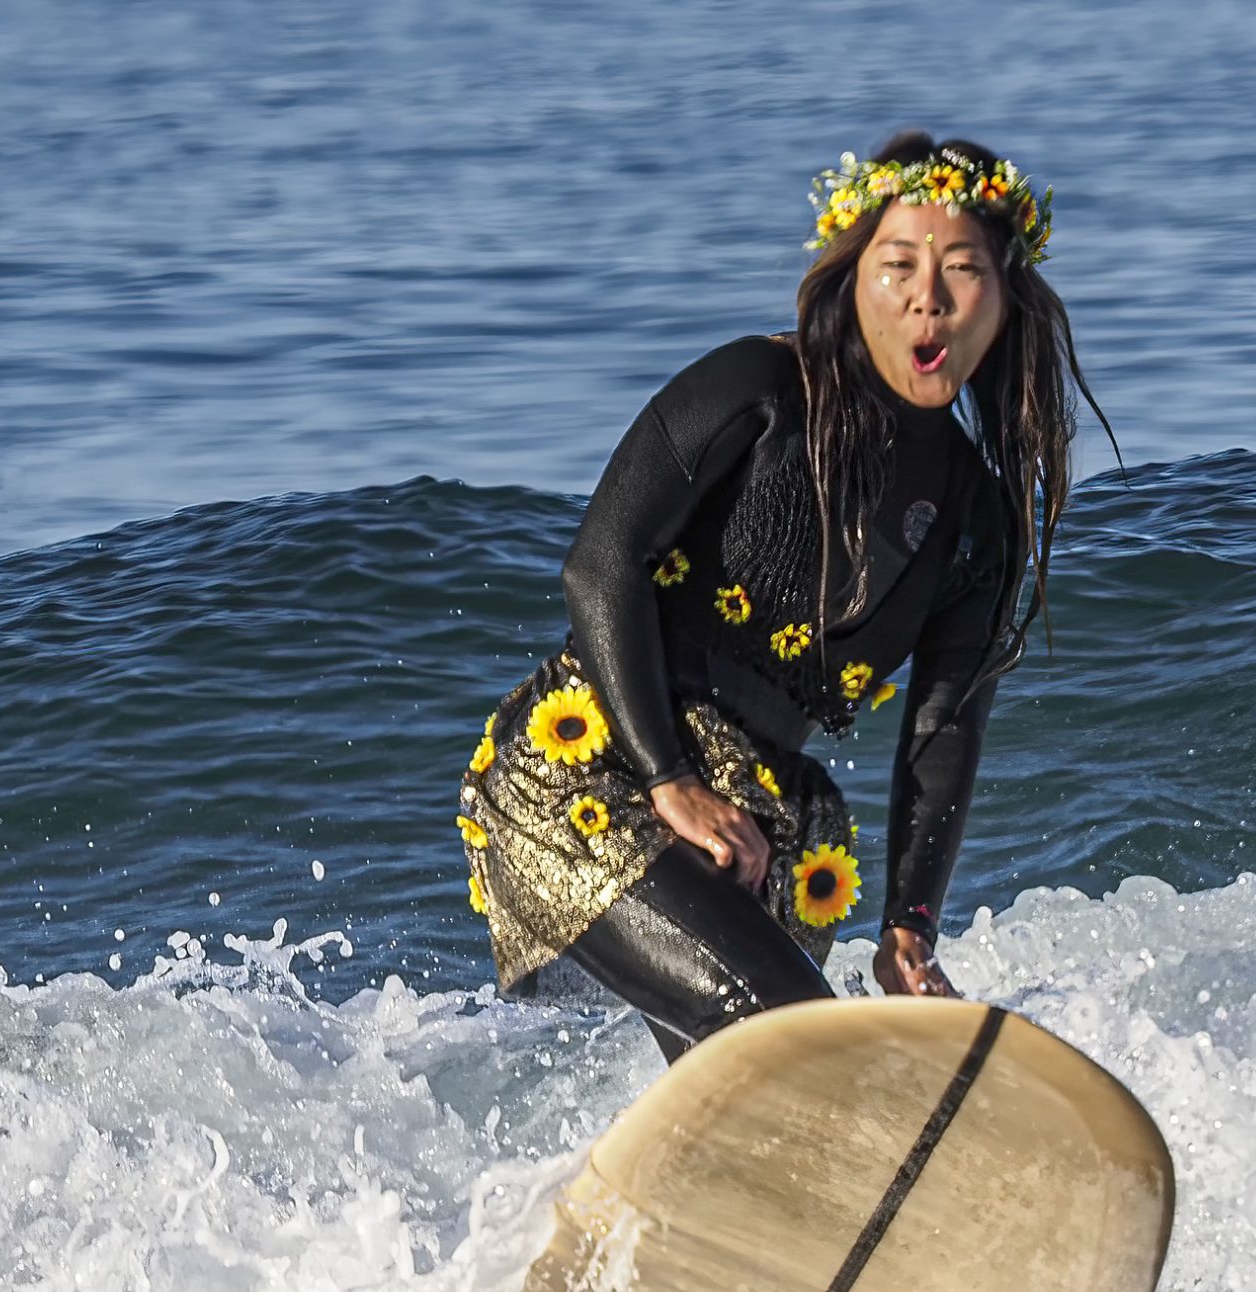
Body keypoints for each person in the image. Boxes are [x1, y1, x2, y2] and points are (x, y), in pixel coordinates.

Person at [457, 130, 1104, 1062]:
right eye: (899, 265)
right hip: (598, 774)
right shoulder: (757, 388)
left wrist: (907, 924)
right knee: (794, 1051)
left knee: (752, 1090)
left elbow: (945, 725)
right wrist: (671, 782)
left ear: (1005, 300)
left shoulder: (978, 519)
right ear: (853, 278)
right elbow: (602, 564)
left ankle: (657, 1211)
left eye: (964, 268)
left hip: (756, 833)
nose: (930, 295)